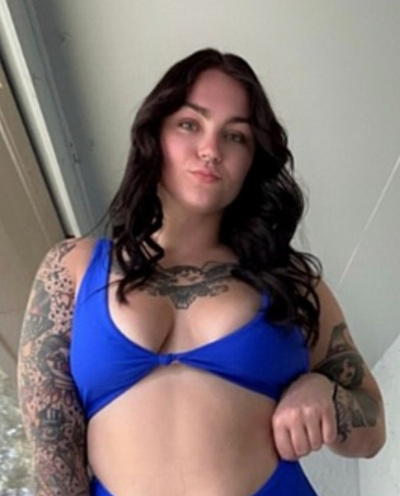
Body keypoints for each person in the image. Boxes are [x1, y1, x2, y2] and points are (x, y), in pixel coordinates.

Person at [18, 48, 385, 496]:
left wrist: (325, 394)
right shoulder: (72, 268)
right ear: (156, 134)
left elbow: (373, 429)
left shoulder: (292, 281)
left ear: (252, 159)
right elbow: (53, 458)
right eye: (190, 124)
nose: (211, 150)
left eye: (236, 136)